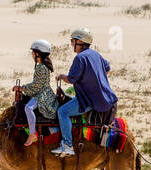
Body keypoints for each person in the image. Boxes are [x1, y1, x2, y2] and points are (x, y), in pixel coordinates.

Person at [50, 28, 117, 157]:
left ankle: (67, 145)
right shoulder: (95, 54)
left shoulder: (80, 58)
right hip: (104, 97)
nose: (72, 44)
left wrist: (61, 76)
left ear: (80, 41)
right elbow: (107, 68)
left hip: (88, 100)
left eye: (73, 41)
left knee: (62, 112)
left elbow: (71, 79)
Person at [15, 39, 58, 147]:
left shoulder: (41, 67)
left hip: (42, 94)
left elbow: (36, 86)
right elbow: (36, 84)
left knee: (28, 108)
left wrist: (21, 88)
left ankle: (32, 133)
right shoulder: (42, 66)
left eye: (33, 52)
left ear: (38, 53)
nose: (32, 54)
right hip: (42, 91)